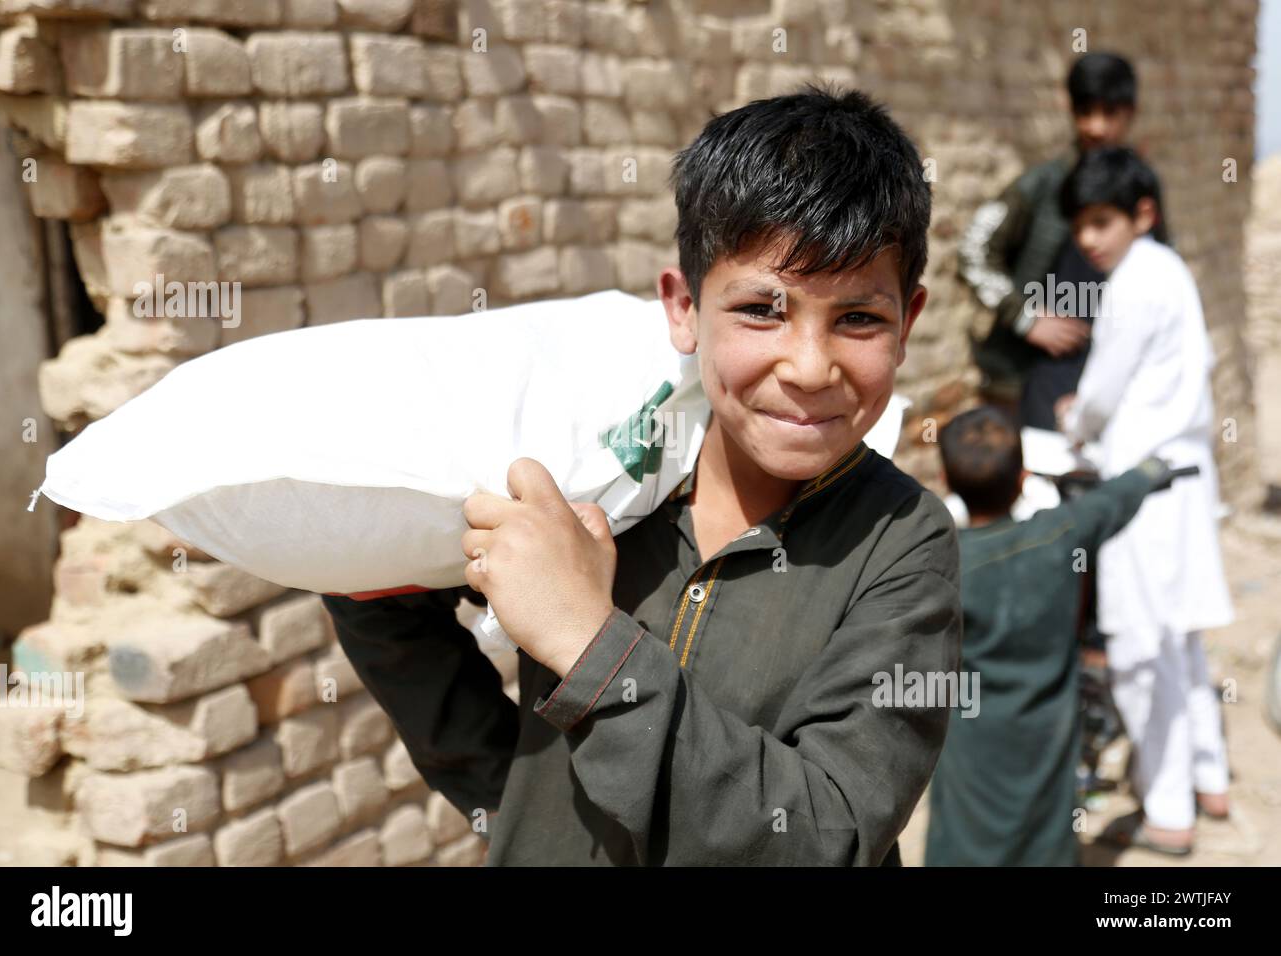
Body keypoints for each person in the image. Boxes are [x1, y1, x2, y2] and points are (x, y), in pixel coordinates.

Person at [321, 86, 963, 866]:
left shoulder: (901, 543)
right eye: (763, 309)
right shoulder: (603, 480)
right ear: (683, 307)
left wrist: (590, 644)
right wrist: (515, 803)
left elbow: (827, 836)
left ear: (909, 321)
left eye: (858, 318)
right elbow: (391, 608)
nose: (809, 366)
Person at [1056, 146, 1234, 855]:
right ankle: (1207, 777)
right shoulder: (1173, 272)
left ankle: (1168, 810)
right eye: (1080, 225)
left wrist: (1075, 418)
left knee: (1136, 645)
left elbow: (1099, 392)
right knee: (1183, 638)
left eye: (1102, 221)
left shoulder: (1133, 282)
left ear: (1143, 214)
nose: (1089, 240)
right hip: (1189, 475)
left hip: (1145, 489)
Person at [924, 407, 1177, 866]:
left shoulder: (943, 564)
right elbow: (1112, 501)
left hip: (971, 739)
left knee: (966, 831)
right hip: (1047, 731)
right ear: (1023, 478)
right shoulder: (1060, 536)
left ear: (944, 477)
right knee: (1046, 827)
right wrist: (1151, 472)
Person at [959, 52, 1156, 428]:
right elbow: (973, 252)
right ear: (1071, 109)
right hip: (1025, 383)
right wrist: (1025, 318)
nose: (1097, 127)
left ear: (1130, 112)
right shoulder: (1040, 185)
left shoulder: (1143, 192)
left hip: (1109, 391)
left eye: (1109, 113)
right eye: (1086, 112)